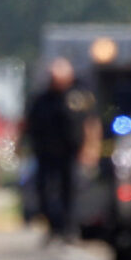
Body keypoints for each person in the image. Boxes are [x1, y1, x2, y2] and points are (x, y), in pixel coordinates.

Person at [25, 58, 92, 244]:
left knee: (69, 191)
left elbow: (89, 124)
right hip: (45, 153)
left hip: (69, 153)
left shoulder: (77, 98)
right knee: (44, 192)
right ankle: (53, 227)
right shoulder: (41, 99)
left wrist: (89, 148)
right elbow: (28, 123)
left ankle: (68, 229)